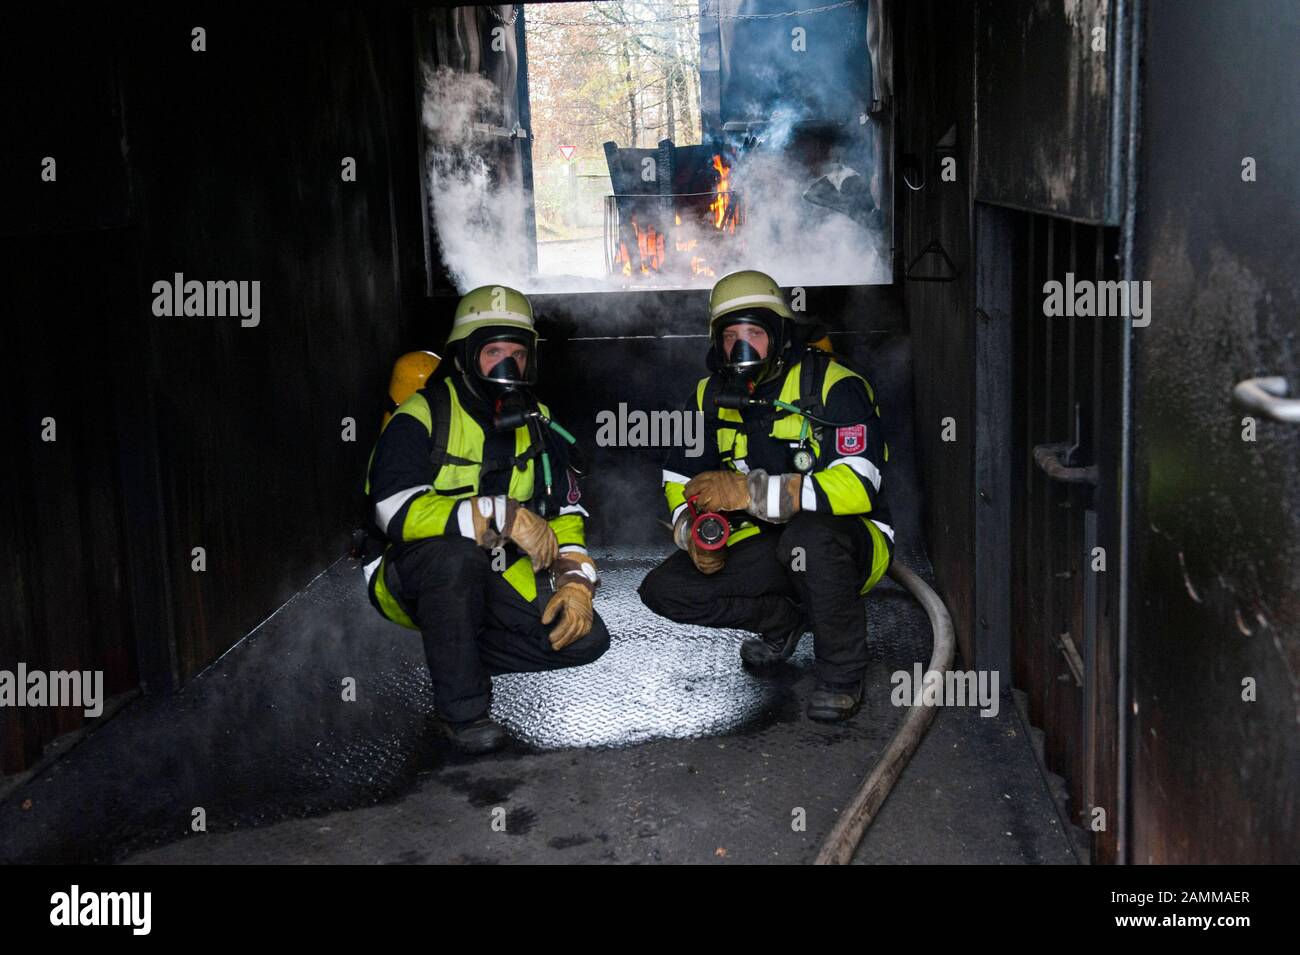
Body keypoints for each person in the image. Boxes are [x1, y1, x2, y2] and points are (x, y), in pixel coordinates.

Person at [638, 269, 893, 722]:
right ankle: (782, 624)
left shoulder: (835, 387)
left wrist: (749, 492)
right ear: (716, 341)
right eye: (731, 334)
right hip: (767, 541)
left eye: (755, 332)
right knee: (666, 590)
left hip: (848, 543)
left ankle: (841, 673)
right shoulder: (708, 396)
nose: (742, 346)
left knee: (808, 540)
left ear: (779, 335)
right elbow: (679, 475)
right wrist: (690, 531)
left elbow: (858, 485)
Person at [363, 285, 608, 753]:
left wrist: (576, 584)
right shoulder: (421, 414)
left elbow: (567, 514)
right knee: (455, 556)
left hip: (496, 573)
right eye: (492, 351)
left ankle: (454, 651)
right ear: (464, 356)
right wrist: (503, 515)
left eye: (517, 354)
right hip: (412, 573)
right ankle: (463, 711)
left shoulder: (539, 421)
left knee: (586, 639)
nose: (506, 366)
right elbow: (391, 510)